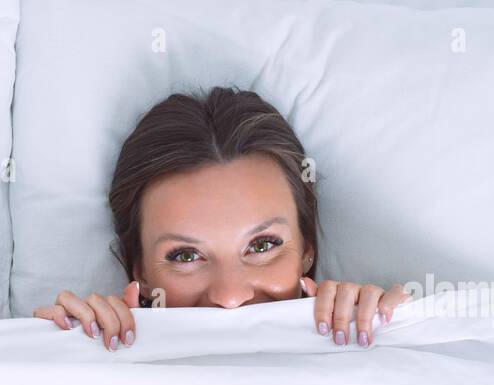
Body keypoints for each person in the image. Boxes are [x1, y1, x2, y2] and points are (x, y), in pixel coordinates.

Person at [32, 86, 411, 350]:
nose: (230, 297)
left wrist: (398, 330)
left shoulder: (375, 341)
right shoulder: (81, 362)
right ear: (140, 273)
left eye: (262, 245)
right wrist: (60, 352)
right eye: (185, 255)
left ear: (307, 251)